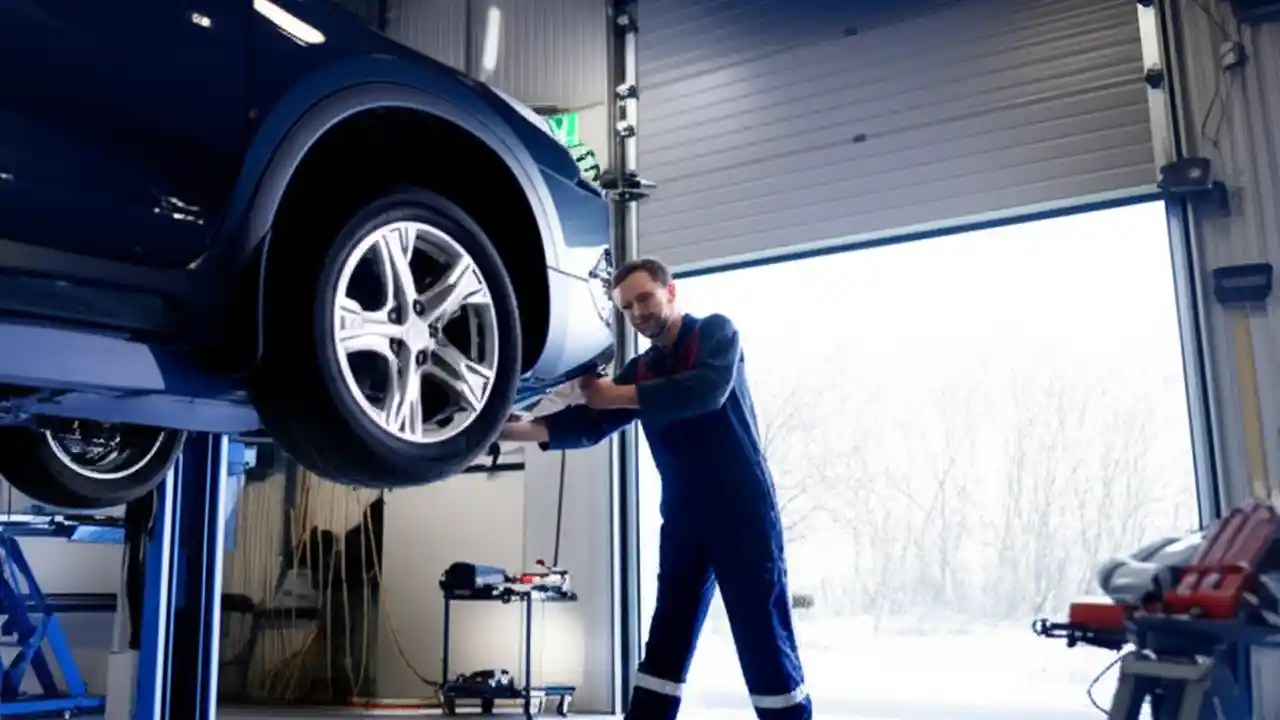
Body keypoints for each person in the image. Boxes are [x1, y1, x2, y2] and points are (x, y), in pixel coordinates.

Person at [500, 257, 811, 719]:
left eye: (645, 298)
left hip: (741, 515)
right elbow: (589, 423)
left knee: (761, 634)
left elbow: (706, 391)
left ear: (671, 291)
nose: (639, 312)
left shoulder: (715, 334)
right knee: (667, 638)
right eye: (627, 307)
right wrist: (496, 431)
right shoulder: (640, 368)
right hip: (684, 519)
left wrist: (617, 395)